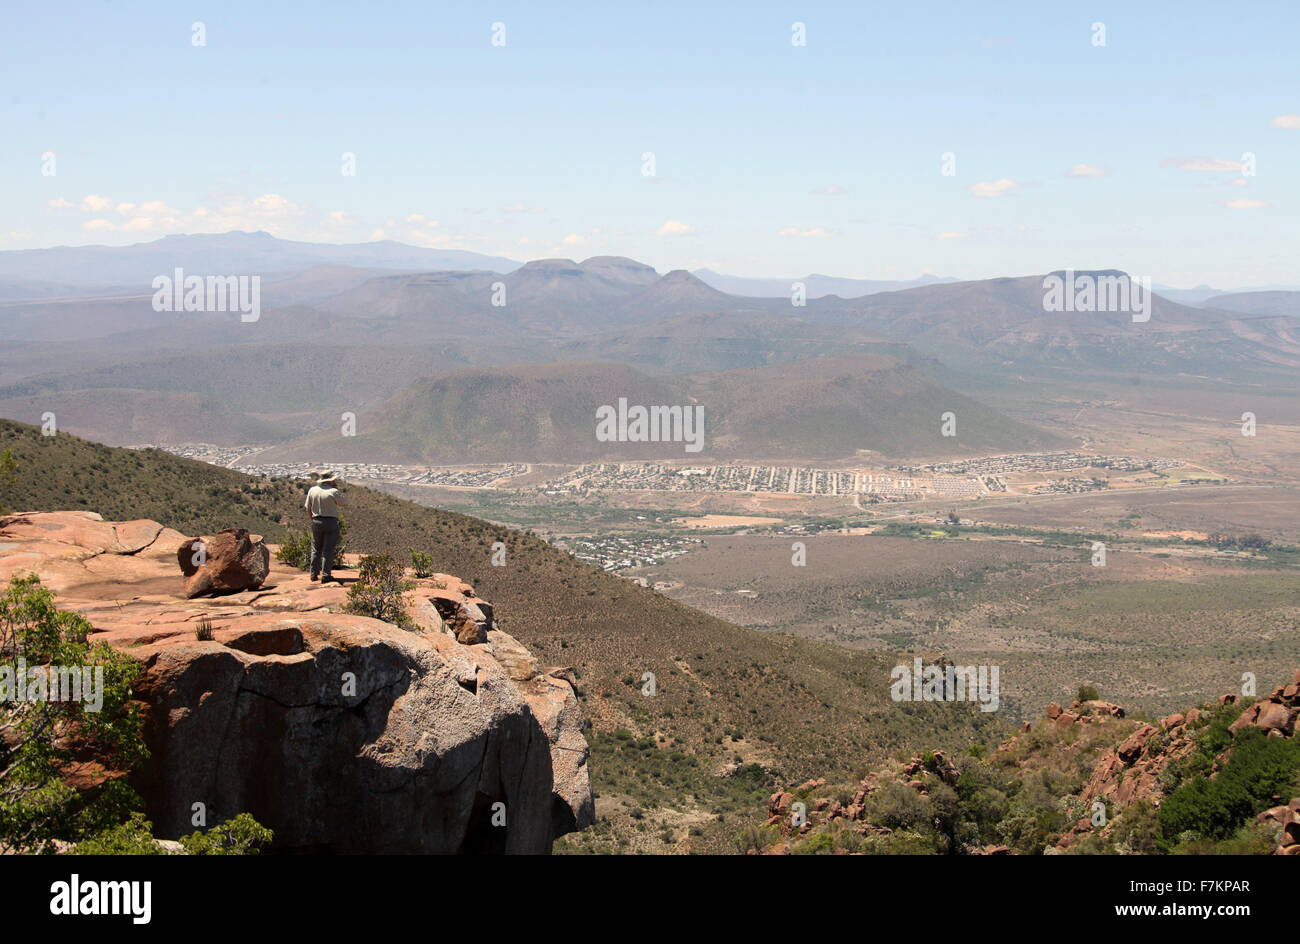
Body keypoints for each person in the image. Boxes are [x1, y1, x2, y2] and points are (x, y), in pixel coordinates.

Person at [304, 471, 344, 583]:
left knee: (315, 549)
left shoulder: (312, 490)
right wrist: (336, 489)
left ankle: (313, 573)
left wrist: (312, 519)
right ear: (330, 480)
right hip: (331, 521)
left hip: (316, 520)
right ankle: (326, 575)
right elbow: (342, 503)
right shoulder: (333, 491)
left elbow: (308, 508)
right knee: (328, 549)